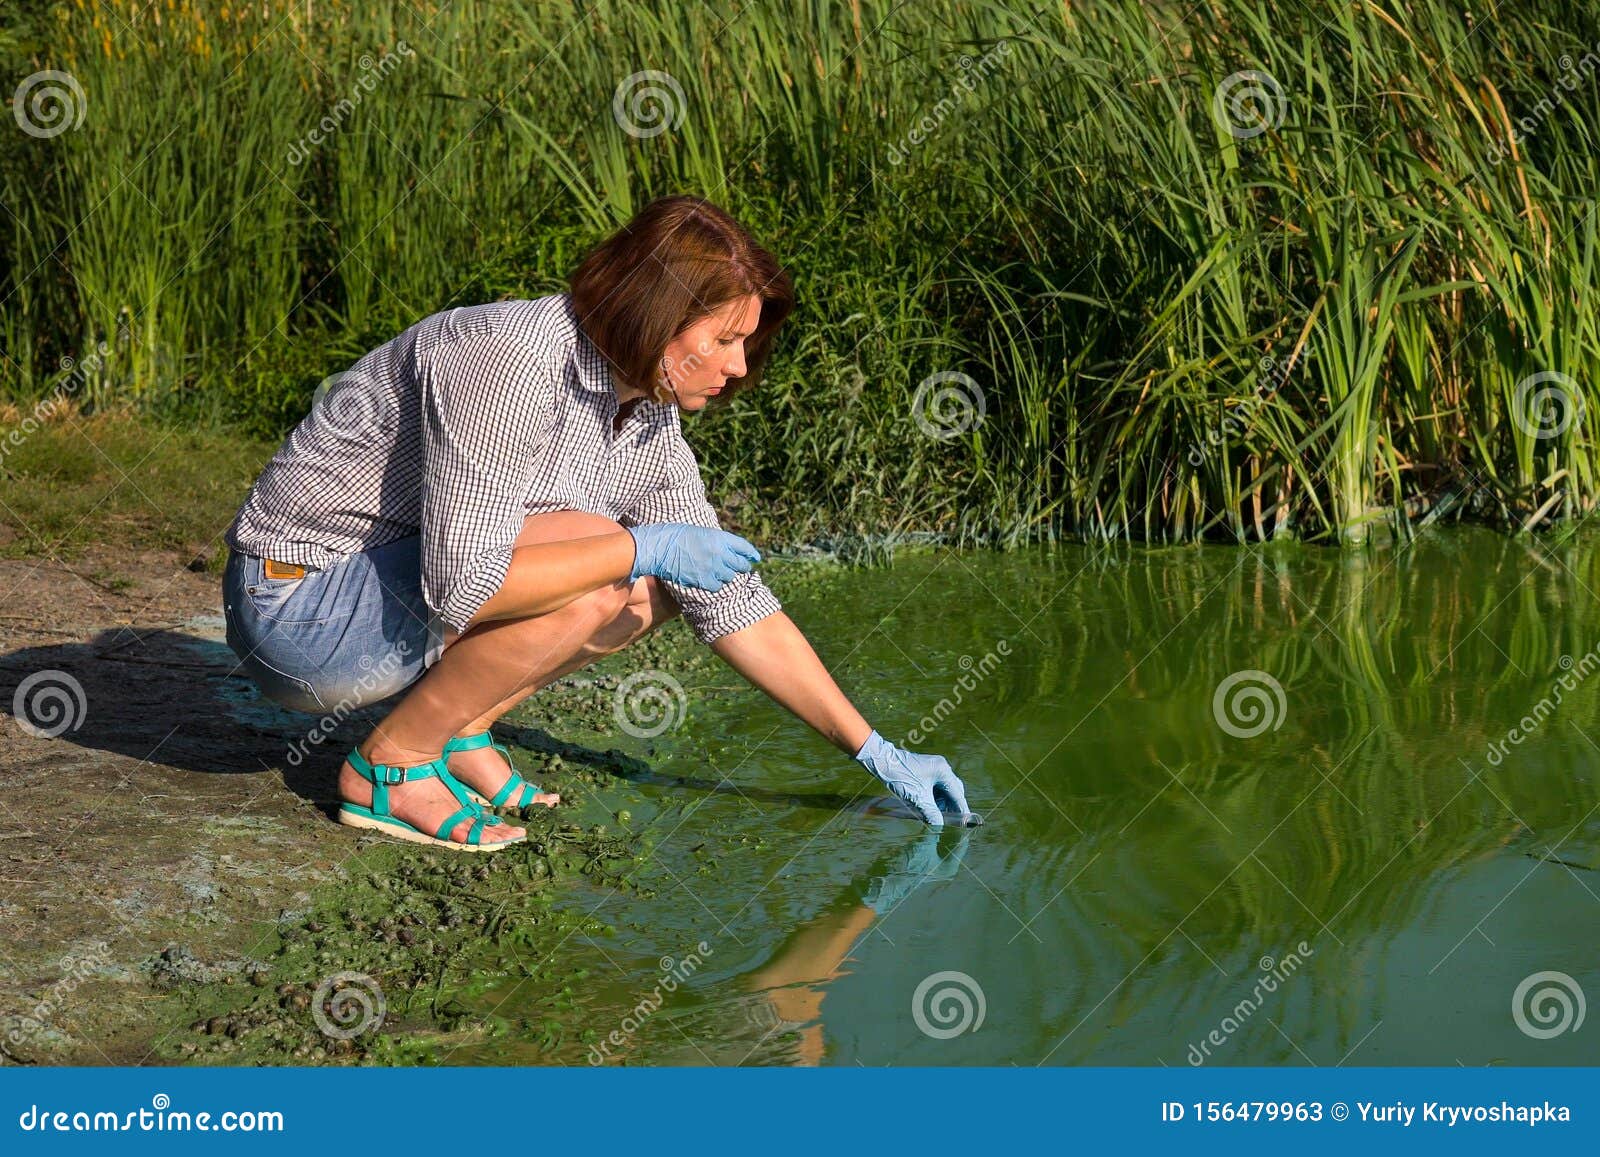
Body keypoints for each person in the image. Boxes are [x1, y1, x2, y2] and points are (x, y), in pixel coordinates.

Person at [221, 194, 972, 852]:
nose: (740, 367)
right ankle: (392, 763)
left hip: (388, 596)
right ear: (658, 316)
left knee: (664, 584)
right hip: (300, 612)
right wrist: (640, 544)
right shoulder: (510, 360)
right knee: (615, 564)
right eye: (723, 339)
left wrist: (875, 749)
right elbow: (462, 587)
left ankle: (459, 725)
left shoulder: (645, 416)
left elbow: (736, 601)